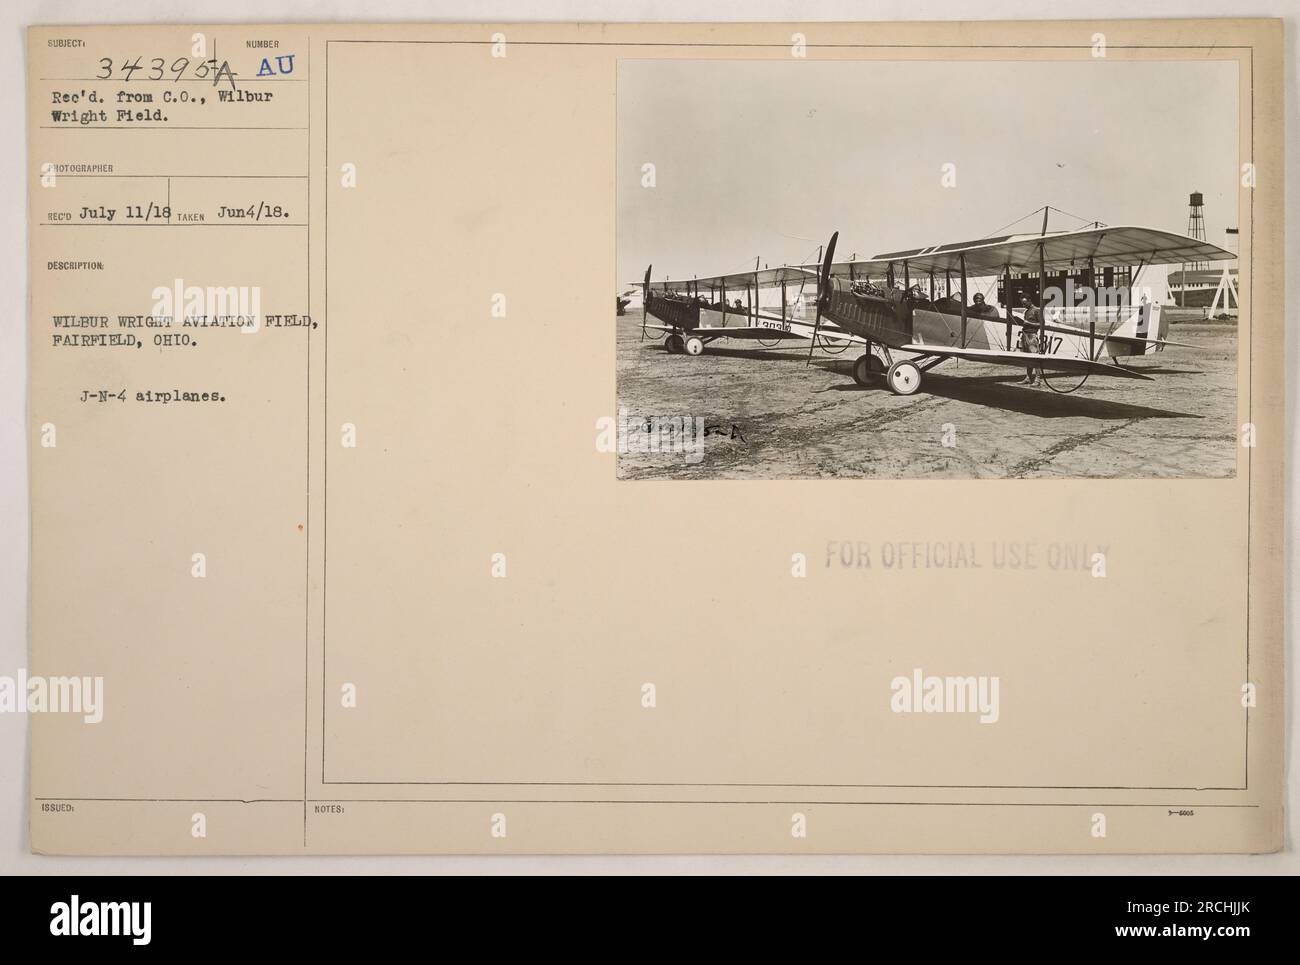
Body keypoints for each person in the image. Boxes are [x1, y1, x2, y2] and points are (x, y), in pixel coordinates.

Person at [1017, 294, 1043, 386]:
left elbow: (1041, 324)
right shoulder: (1027, 311)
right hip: (1025, 335)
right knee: (1027, 358)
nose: (1023, 305)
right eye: (1022, 304)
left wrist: (1028, 323)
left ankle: (1038, 379)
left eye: (1024, 303)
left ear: (1029, 300)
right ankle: (1028, 378)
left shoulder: (1036, 310)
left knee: (1035, 358)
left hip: (1032, 336)